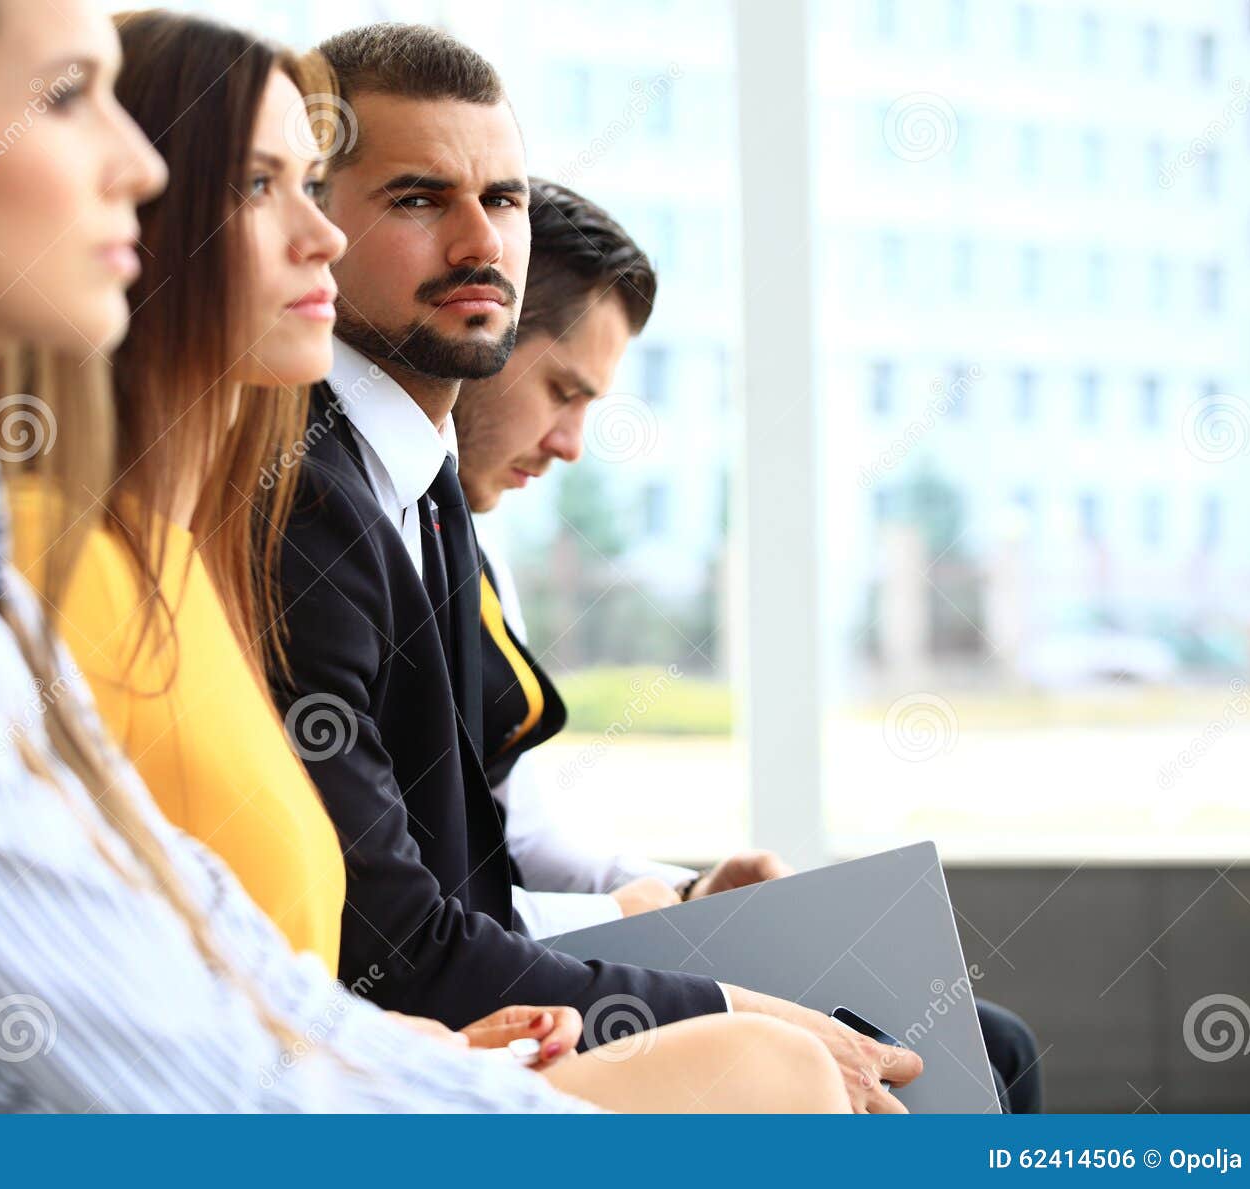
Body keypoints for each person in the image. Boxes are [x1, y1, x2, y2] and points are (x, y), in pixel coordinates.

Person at [0, 0, 843, 1115]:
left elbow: (211, 961)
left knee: (768, 1071)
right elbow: (181, 1079)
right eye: (71, 96)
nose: (136, 166)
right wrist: (574, 1097)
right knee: (766, 1079)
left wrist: (412, 1053)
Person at [267, 21, 919, 1113]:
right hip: (406, 1046)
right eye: (419, 198)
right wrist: (728, 1009)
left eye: (506, 198)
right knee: (876, 1065)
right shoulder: (314, 495)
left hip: (471, 1008)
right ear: (315, 224)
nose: (481, 241)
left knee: (925, 1042)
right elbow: (399, 939)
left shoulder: (420, 493)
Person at [454, 176, 1045, 1114]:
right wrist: (619, 915)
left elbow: (516, 821)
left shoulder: (474, 543)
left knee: (987, 1041)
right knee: (947, 1064)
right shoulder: (384, 542)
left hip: (543, 942)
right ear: (478, 339)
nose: (570, 444)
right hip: (499, 979)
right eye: (562, 391)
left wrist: (680, 894)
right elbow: (420, 912)